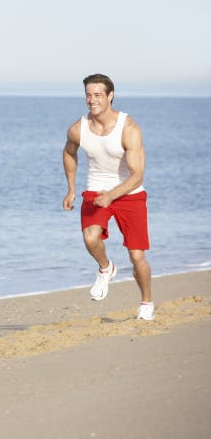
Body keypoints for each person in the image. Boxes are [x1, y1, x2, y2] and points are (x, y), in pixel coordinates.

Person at [62, 74, 154, 320]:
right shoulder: (77, 128)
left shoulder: (129, 128)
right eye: (88, 95)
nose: (92, 100)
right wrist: (71, 188)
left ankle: (146, 302)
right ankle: (106, 268)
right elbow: (69, 153)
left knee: (137, 256)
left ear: (110, 95)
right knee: (91, 238)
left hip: (129, 193)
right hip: (95, 188)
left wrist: (112, 195)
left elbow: (137, 175)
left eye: (98, 95)